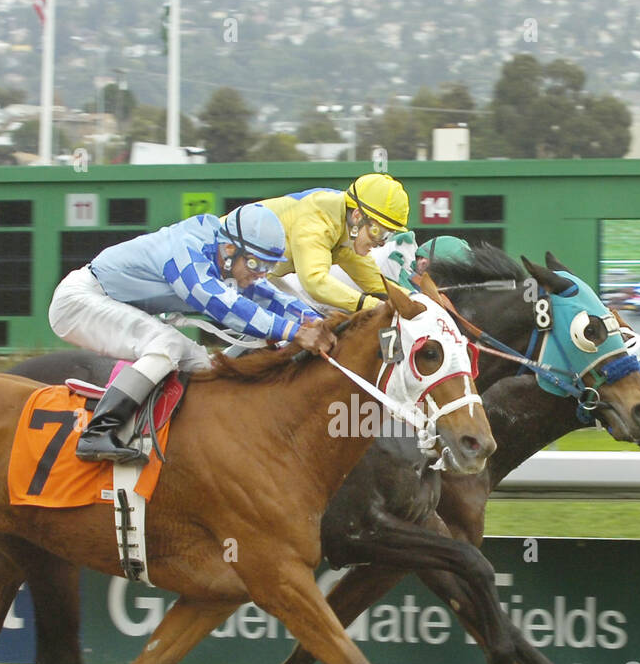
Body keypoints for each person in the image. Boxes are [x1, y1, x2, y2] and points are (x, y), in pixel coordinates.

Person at [48, 202, 334, 463]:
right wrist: (294, 332)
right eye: (257, 264)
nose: (261, 273)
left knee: (200, 363)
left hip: (108, 301)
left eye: (268, 266)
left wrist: (314, 319)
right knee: (166, 342)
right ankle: (97, 433)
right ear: (230, 249)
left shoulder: (223, 251)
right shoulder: (186, 249)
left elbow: (266, 294)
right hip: (79, 301)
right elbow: (222, 305)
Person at [261, 173, 409, 313]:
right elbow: (315, 282)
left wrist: (417, 299)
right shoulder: (318, 221)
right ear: (357, 216)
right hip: (242, 274)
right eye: (379, 232)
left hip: (261, 275)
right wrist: (371, 305)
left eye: (389, 235)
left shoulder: (345, 228)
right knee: (306, 324)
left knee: (311, 320)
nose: (382, 243)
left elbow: (376, 283)